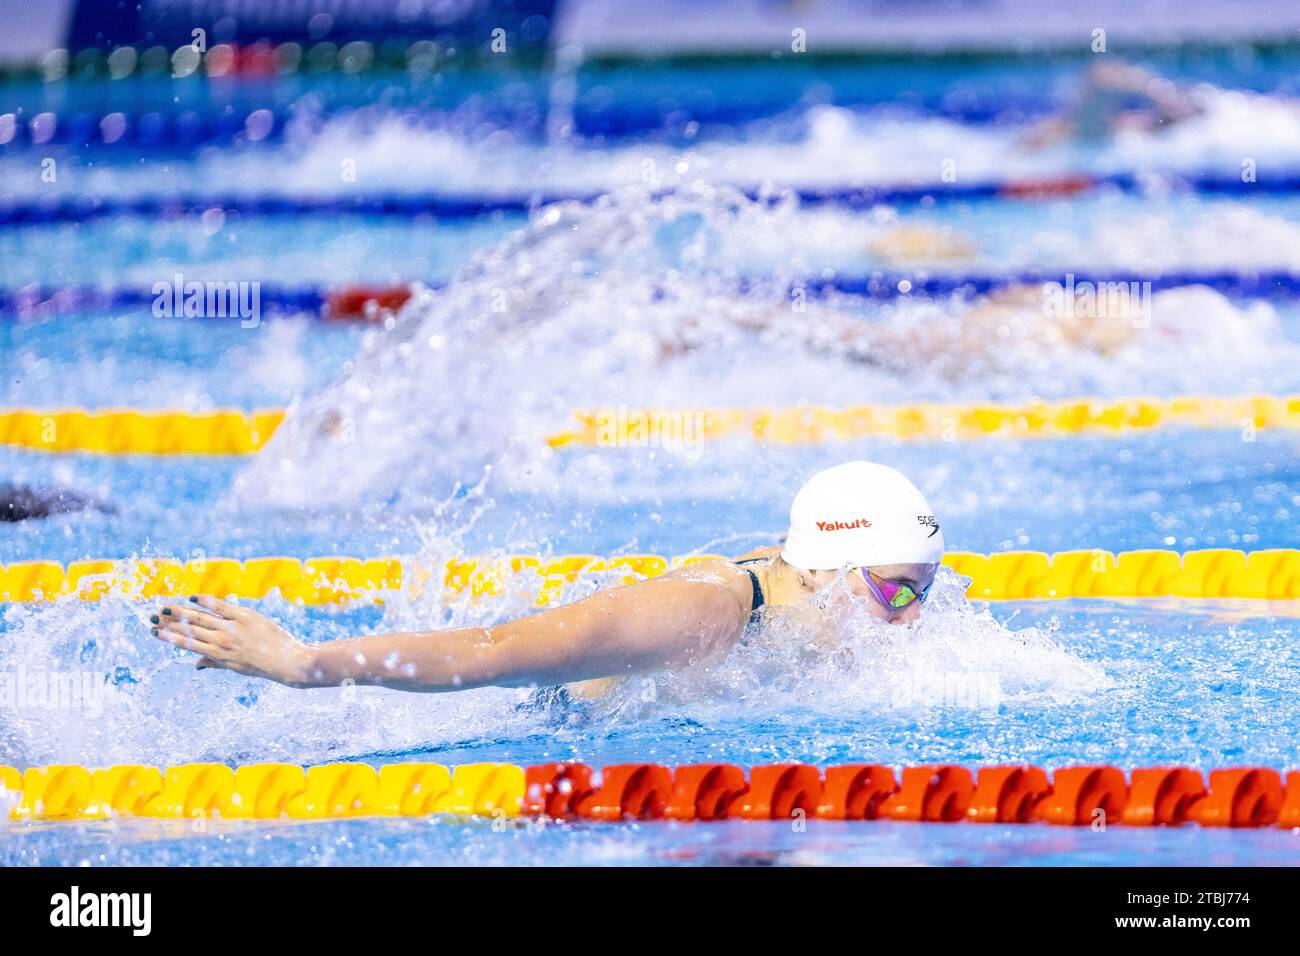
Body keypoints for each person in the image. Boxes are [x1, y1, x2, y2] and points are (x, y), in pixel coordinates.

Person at [151, 461, 944, 693]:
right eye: (893, 591)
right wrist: (307, 664)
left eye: (922, 593)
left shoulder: (825, 618)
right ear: (821, 571)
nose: (911, 618)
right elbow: (495, 650)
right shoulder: (702, 613)